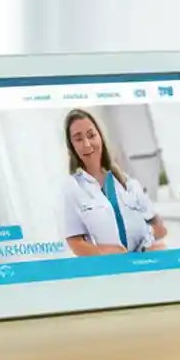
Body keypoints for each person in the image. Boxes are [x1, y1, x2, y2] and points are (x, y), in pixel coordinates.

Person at [60, 108, 169, 255]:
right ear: (72, 146)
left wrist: (147, 244)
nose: (87, 144)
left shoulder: (127, 182)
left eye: (91, 135)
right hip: (108, 266)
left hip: (141, 260)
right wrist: (106, 252)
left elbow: (159, 227)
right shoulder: (72, 188)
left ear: (100, 137)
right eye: (78, 139)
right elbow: (76, 244)